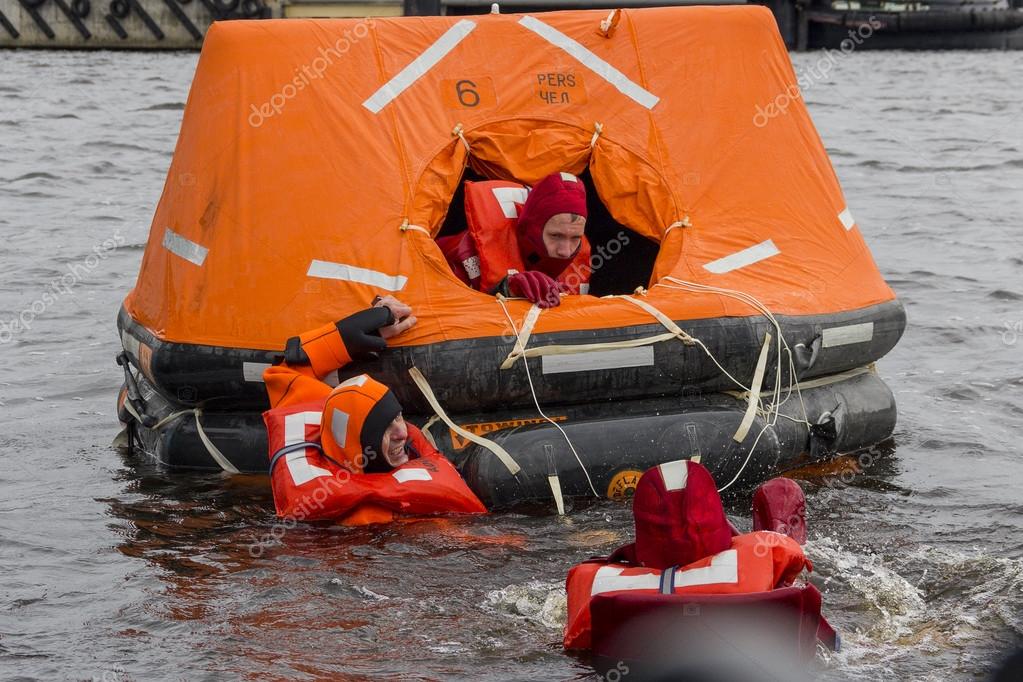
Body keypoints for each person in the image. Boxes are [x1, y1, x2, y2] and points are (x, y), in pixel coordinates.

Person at [262, 296, 486, 524]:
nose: (403, 433)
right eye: (385, 428)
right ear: (360, 444)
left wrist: (346, 336)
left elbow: (285, 373)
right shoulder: (366, 516)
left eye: (398, 417)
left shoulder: (313, 421)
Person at [437, 171, 591, 308]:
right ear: (530, 230)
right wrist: (505, 290)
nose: (566, 251)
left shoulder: (583, 255)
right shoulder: (465, 253)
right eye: (556, 236)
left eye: (576, 237)